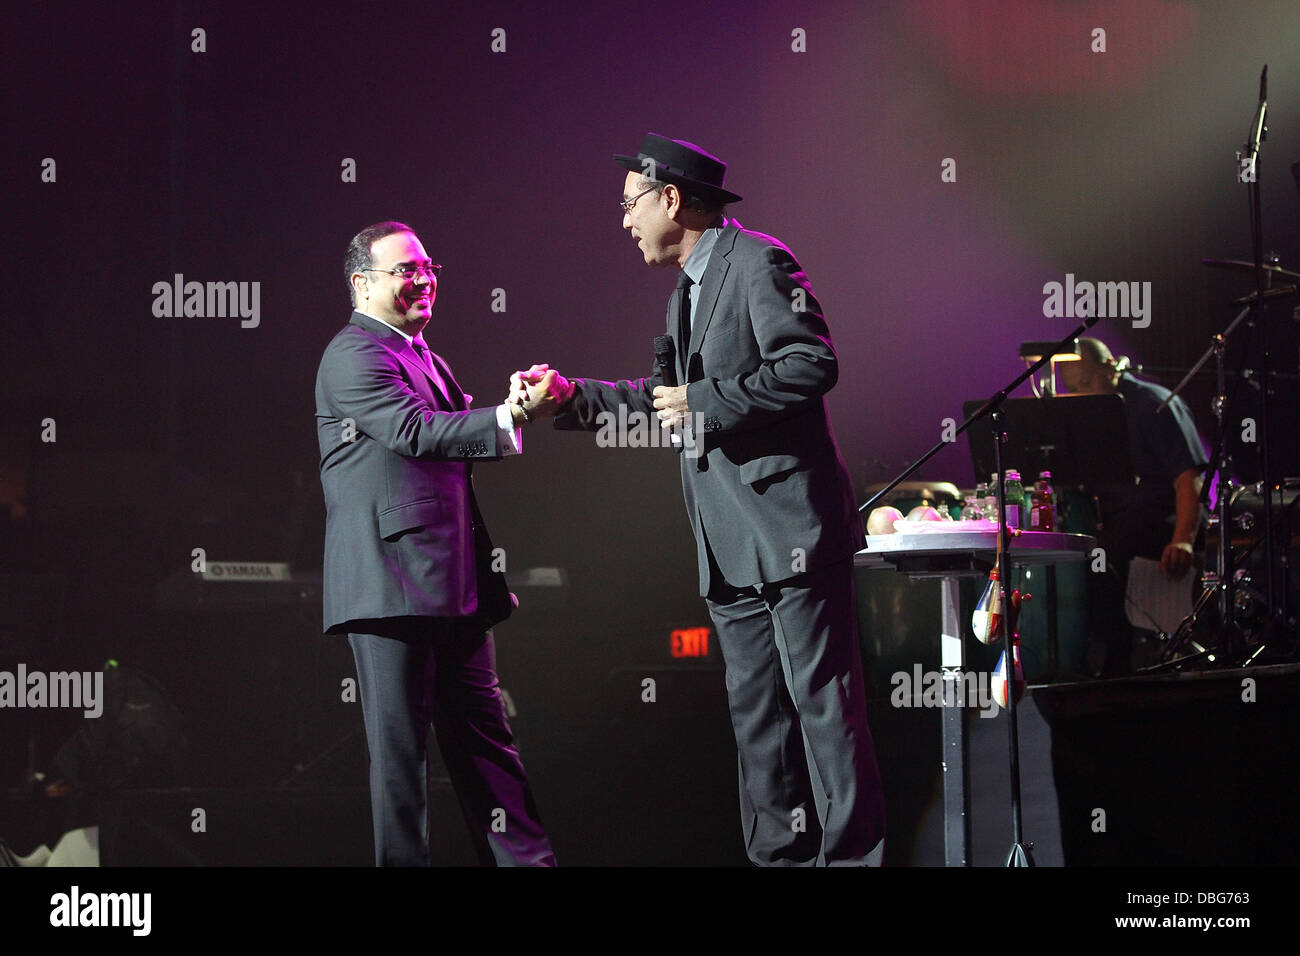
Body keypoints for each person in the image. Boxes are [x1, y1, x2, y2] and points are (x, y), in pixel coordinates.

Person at [515, 134, 885, 865]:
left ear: (671, 198)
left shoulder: (756, 262)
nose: (623, 222)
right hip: (728, 544)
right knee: (757, 723)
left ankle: (850, 862)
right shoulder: (688, 287)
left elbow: (812, 363)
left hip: (790, 531)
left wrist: (708, 401)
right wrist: (570, 399)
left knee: (824, 711)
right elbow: (664, 406)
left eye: (629, 205)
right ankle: (776, 859)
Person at [315, 221, 565, 866]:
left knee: (489, 749)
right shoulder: (353, 353)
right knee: (402, 765)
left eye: (427, 266)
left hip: (450, 584)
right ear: (360, 284)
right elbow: (417, 431)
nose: (421, 279)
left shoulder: (422, 355)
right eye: (404, 270)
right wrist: (512, 415)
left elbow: (448, 433)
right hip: (391, 586)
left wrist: (511, 404)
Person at [1058, 337, 1209, 673]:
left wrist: (1183, 538)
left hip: (1163, 519)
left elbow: (1189, 480)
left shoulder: (1154, 404)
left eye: (1086, 383)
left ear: (1110, 368)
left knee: (1107, 555)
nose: (1082, 395)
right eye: (1074, 389)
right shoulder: (1086, 413)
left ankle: (1118, 663)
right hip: (1115, 521)